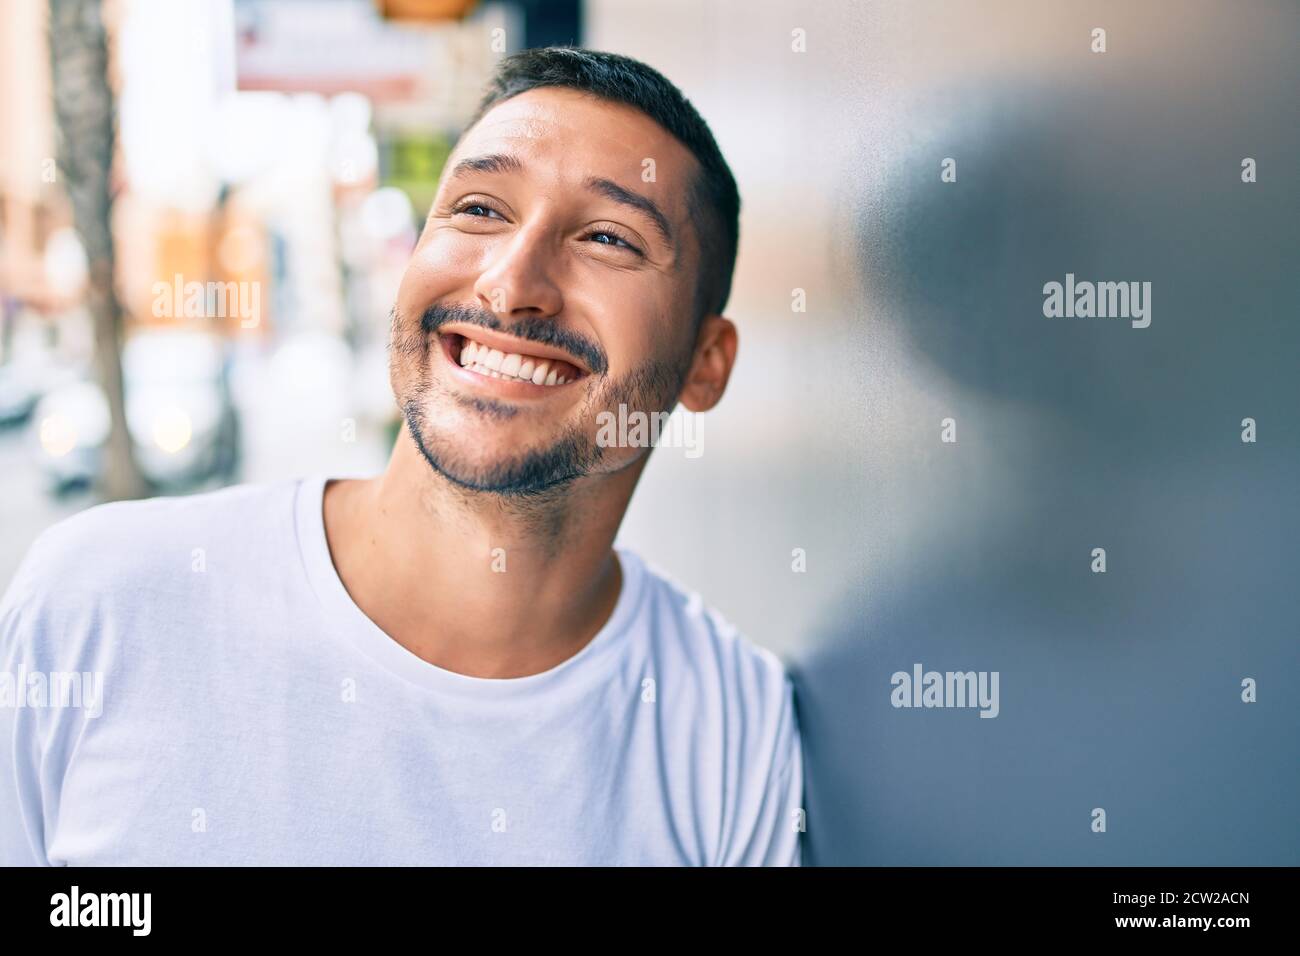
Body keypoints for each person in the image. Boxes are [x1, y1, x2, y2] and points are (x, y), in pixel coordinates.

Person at [0, 47, 803, 866]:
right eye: (481, 209)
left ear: (707, 363)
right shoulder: (98, 603)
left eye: (607, 236)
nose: (511, 281)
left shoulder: (733, 727)